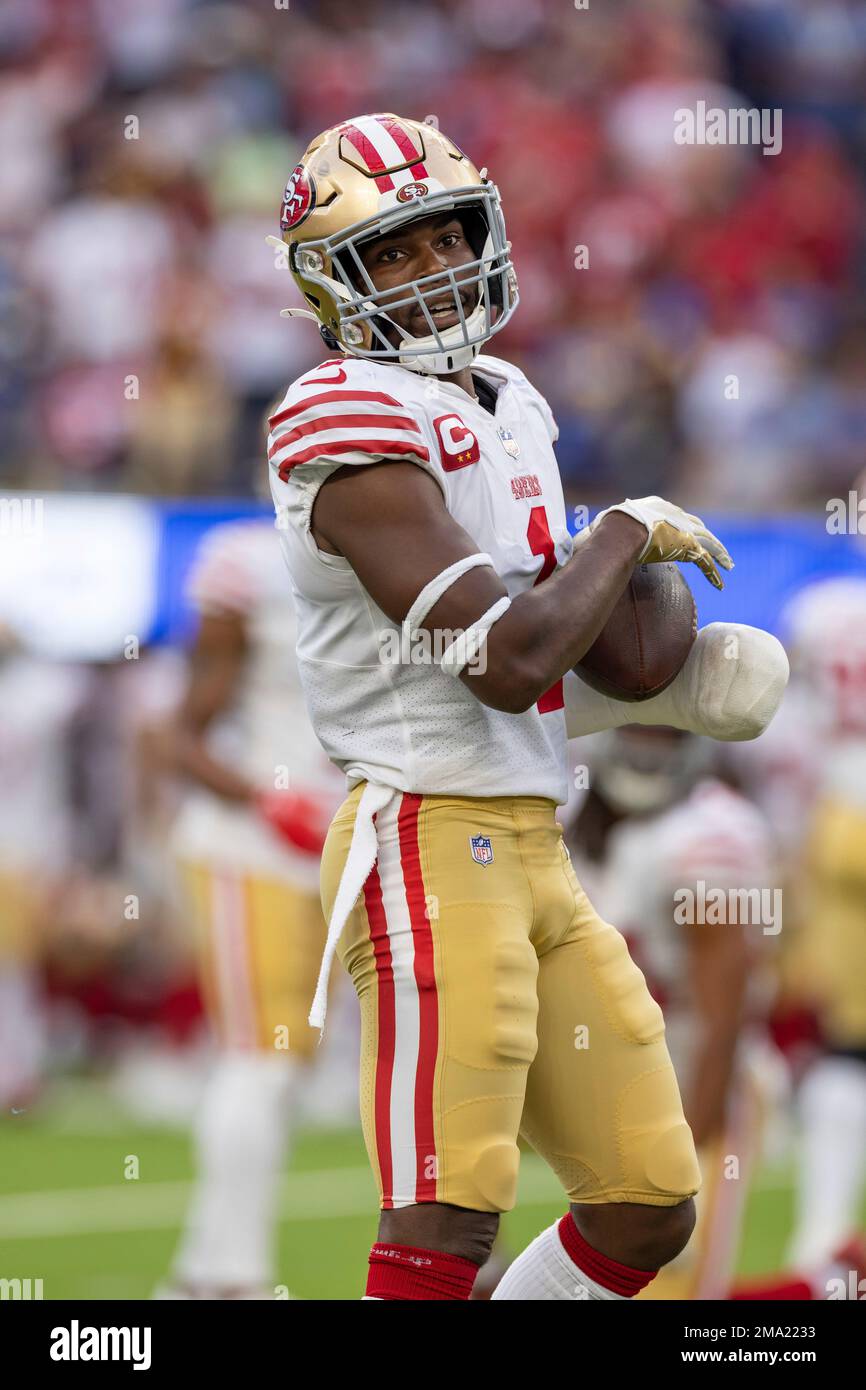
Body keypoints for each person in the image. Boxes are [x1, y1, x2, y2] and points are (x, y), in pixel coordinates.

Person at [266, 112, 789, 1300]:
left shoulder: (510, 400)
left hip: (532, 832)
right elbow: (497, 657)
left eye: (444, 235)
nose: (433, 267)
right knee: (446, 1216)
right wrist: (621, 531)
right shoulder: (339, 411)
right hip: (422, 833)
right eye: (392, 252)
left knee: (647, 1204)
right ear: (332, 283)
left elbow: (587, 651)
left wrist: (667, 671)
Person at [157, 518, 343, 1298]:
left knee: (312, 1069)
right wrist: (266, 799)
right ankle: (222, 1276)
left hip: (350, 840)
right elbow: (183, 733)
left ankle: (209, 1271)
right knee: (260, 1060)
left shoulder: (408, 544)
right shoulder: (248, 563)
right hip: (255, 846)